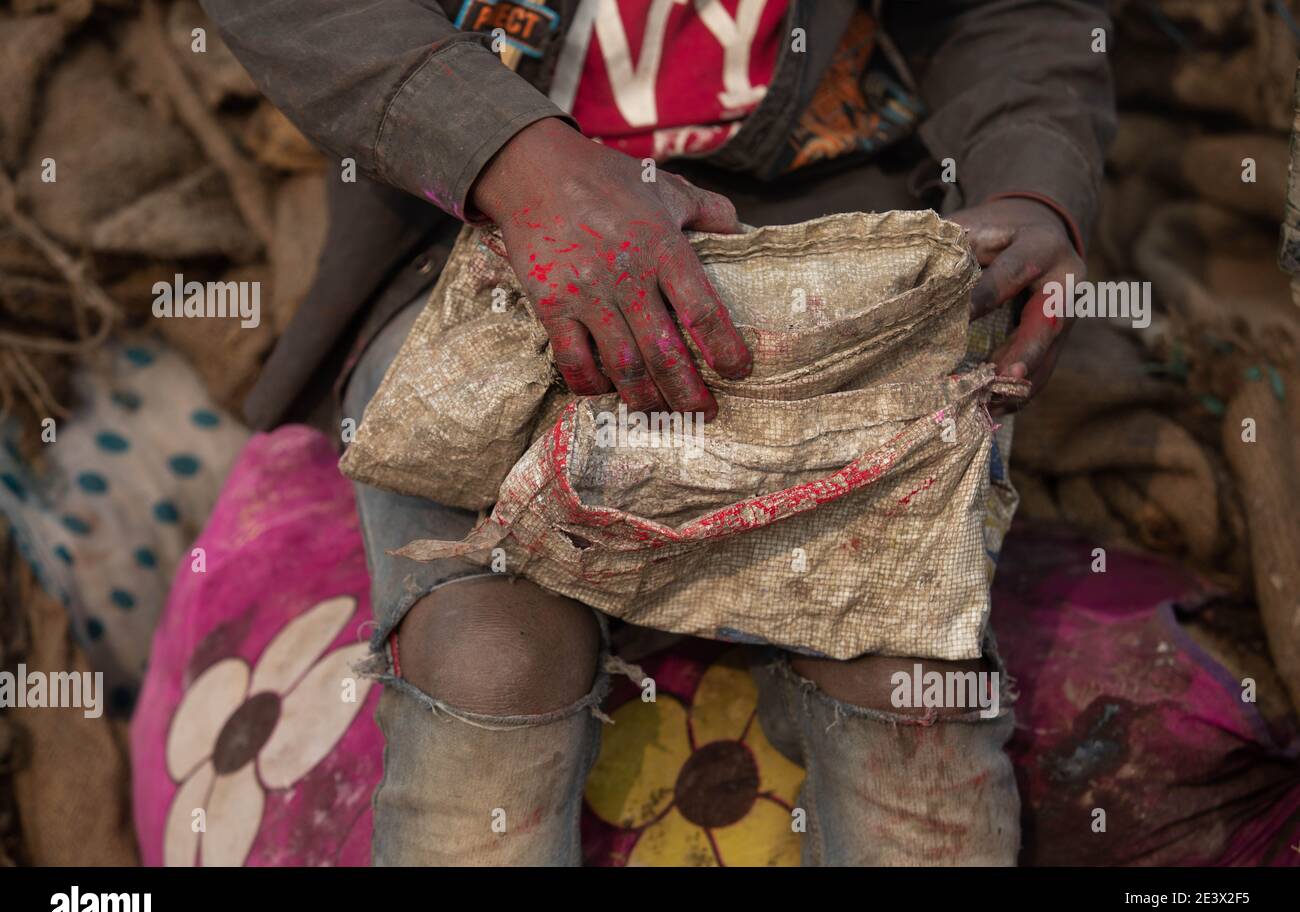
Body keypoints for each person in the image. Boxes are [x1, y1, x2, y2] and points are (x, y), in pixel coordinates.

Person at [201, 0, 1116, 865]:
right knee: (490, 659)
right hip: (468, 236)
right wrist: (515, 159)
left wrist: (1034, 182)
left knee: (910, 682)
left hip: (827, 246)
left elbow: (1012, 15)